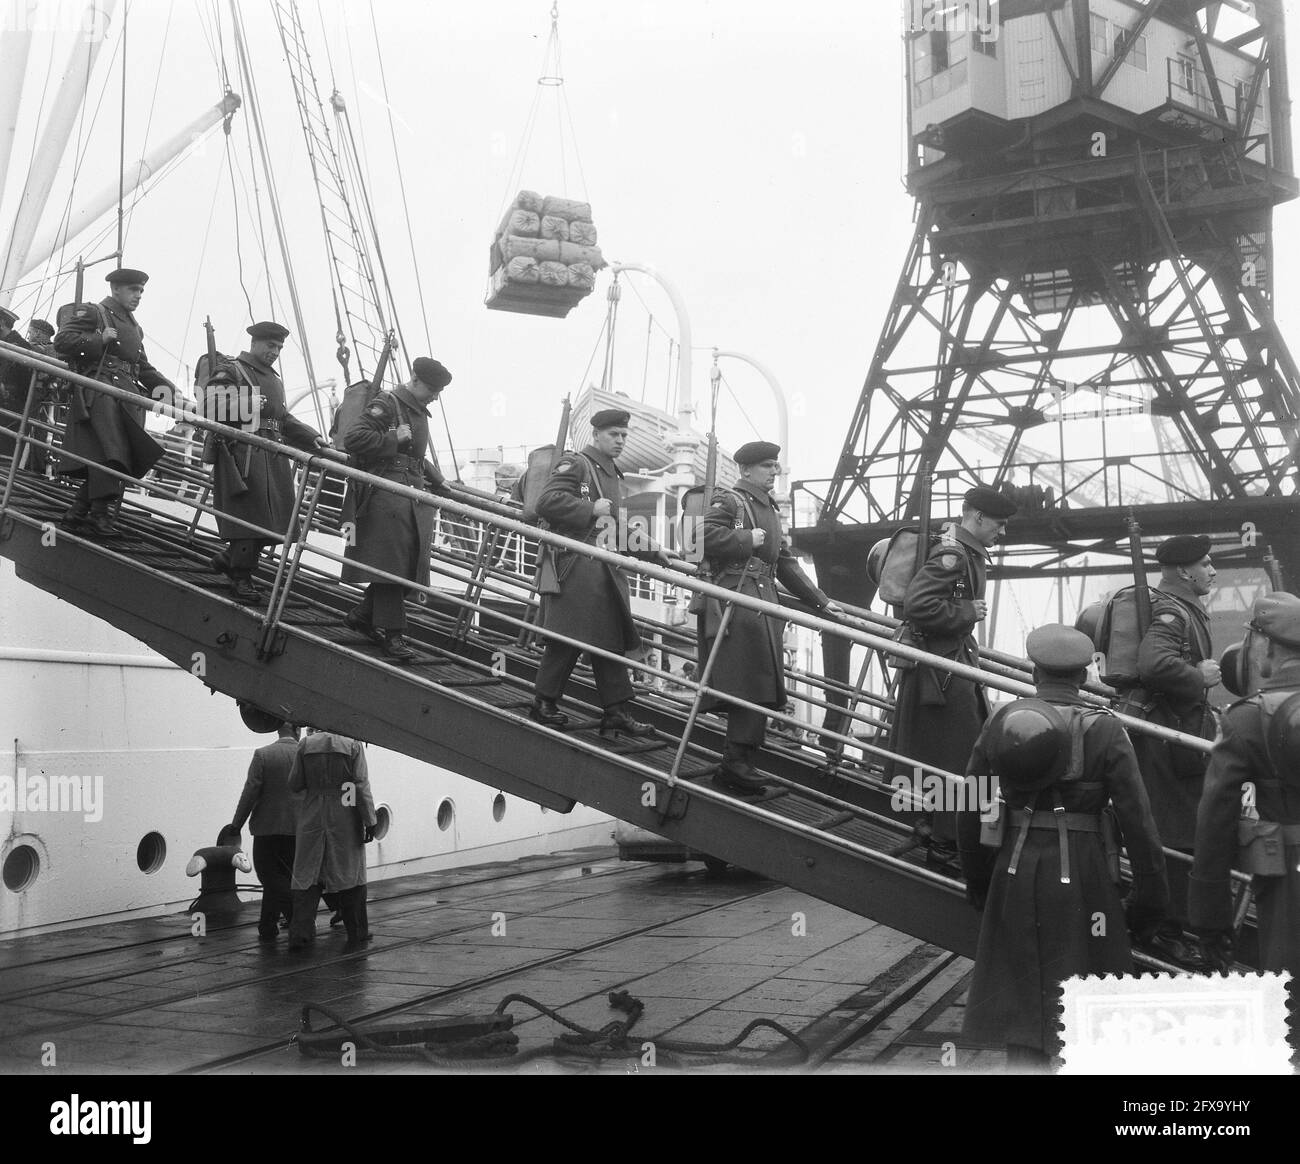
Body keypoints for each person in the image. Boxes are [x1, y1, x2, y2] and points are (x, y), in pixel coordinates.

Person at [957, 624, 1169, 1071]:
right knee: (1088, 992)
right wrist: (1149, 901)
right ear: (1083, 675)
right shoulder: (1106, 730)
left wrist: (978, 880)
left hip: (1013, 869)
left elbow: (969, 806)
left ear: (1035, 671)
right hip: (1086, 875)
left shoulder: (1002, 721)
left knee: (1022, 999)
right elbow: (1139, 823)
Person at [697, 441, 842, 793]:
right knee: (750, 681)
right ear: (745, 470)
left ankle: (742, 760)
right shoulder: (730, 501)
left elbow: (786, 563)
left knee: (761, 682)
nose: (773, 472)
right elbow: (700, 537)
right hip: (737, 596)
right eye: (766, 466)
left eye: (775, 465)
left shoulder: (770, 509)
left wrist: (822, 601)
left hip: (762, 601)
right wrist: (747, 537)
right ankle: (734, 763)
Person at [891, 484, 1017, 869]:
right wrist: (967, 612)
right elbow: (918, 604)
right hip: (942, 672)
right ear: (977, 517)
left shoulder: (964, 552)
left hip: (948, 667)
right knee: (958, 755)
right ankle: (945, 842)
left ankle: (935, 830)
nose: (1003, 531)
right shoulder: (953, 555)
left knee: (951, 753)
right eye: (998, 523)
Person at [1190, 592, 1300, 1025]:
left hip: (1288, 881)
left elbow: (1214, 824)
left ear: (1266, 645)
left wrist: (1210, 920)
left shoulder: (1245, 720)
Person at [529, 408, 673, 734]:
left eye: (624, 435)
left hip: (601, 567)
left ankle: (616, 712)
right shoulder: (578, 464)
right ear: (596, 435)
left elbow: (615, 527)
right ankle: (543, 702)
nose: (620, 440)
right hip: (577, 564)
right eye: (614, 435)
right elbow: (547, 502)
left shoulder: (610, 473)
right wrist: (588, 508)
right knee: (568, 637)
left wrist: (654, 550)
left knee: (609, 639)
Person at [1117, 533, 1219, 964]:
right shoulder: (1172, 612)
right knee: (1175, 834)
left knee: (1179, 833)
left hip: (1172, 736)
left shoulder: (1181, 607)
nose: (1212, 570)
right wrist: (1201, 676)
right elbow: (1154, 665)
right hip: (1166, 739)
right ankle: (1160, 930)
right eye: (1206, 563)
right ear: (1184, 571)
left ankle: (1167, 925)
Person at [203, 323, 329, 602]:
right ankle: (240, 577)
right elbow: (209, 407)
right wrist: (246, 405)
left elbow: (281, 419)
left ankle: (230, 560)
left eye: (279, 347)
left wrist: (312, 437)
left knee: (273, 518)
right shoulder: (232, 370)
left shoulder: (273, 379)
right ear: (255, 343)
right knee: (251, 516)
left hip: (271, 453)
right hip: (243, 454)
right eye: (270, 346)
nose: (275, 352)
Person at [341, 357, 454, 662]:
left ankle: (363, 615)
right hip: (385, 495)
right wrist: (393, 437)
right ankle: (393, 637)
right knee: (391, 567)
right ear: (415, 380)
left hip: (408, 495)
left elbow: (415, 458)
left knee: (409, 564)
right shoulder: (387, 403)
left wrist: (441, 482)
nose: (435, 396)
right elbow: (353, 438)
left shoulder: (417, 410)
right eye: (432, 390)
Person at [52, 268, 177, 536]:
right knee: (114, 452)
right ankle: (99, 516)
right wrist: (99, 339)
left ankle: (77, 514)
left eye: (141, 291)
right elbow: (62, 340)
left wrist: (170, 391)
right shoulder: (95, 312)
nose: (138, 295)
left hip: (125, 395)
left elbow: (141, 366)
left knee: (116, 454)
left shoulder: (134, 326)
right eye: (134, 290)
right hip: (101, 392)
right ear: (116, 289)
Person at [287, 729, 376, 952]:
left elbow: (295, 783)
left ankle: (300, 934)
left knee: (308, 874)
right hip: (345, 812)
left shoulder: (305, 744)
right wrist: (369, 820)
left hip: (313, 813)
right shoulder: (352, 744)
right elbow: (360, 785)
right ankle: (357, 931)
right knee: (350, 874)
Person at [229, 722, 302, 942]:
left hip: (266, 828)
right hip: (298, 828)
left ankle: (297, 918)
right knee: (285, 875)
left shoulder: (263, 755)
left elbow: (250, 792)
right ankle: (267, 926)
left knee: (269, 876)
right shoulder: (304, 754)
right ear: (298, 731)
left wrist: (236, 825)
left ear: (278, 729)